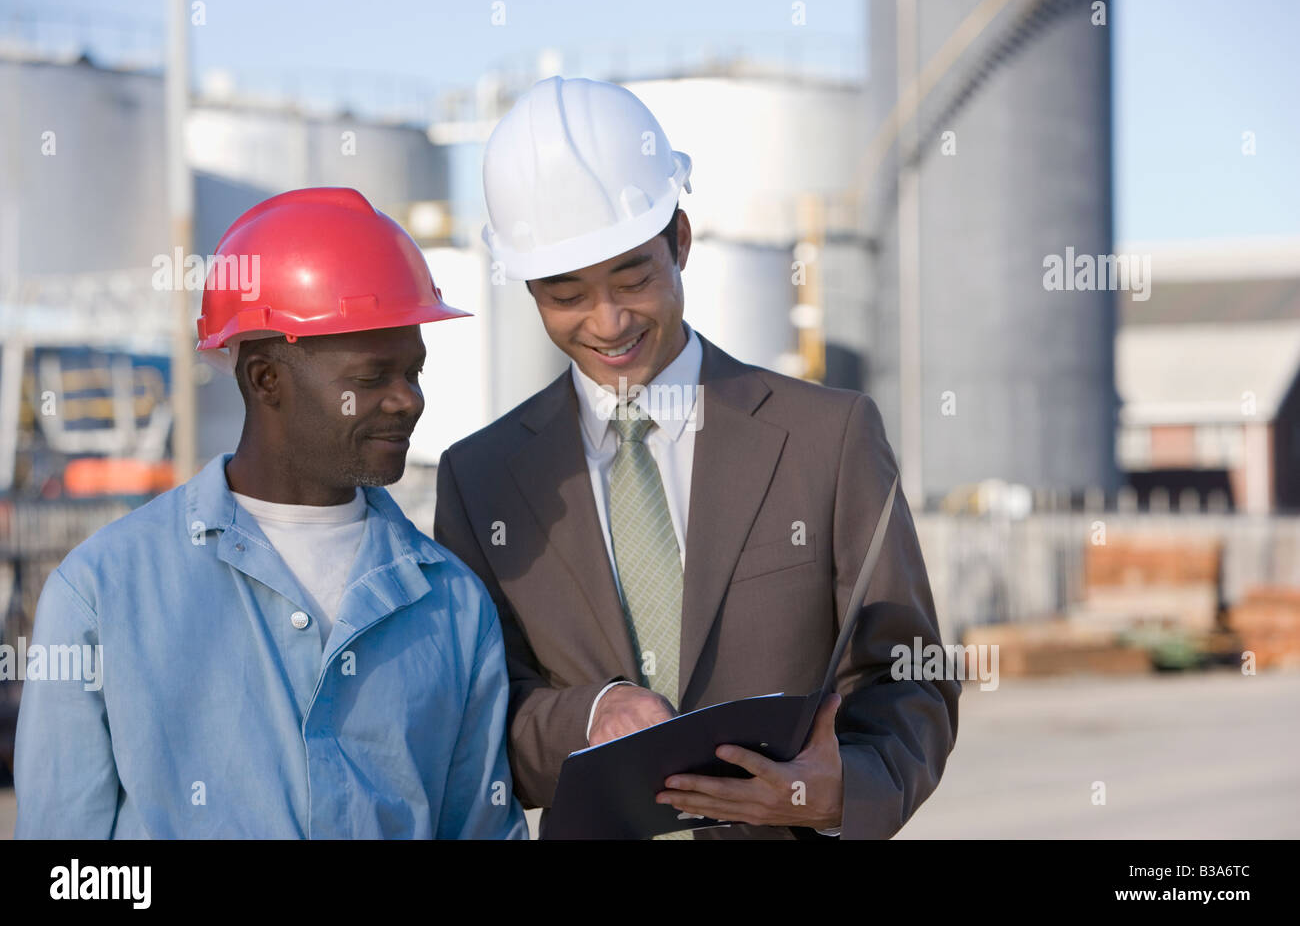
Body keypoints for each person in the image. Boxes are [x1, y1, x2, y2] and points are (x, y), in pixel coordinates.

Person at [434, 76, 960, 839]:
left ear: (679, 240)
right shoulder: (480, 480)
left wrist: (841, 787)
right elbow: (474, 716)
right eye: (566, 294)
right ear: (526, 286)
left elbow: (910, 677)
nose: (609, 321)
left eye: (633, 276)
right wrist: (587, 714)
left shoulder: (829, 438)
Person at [14, 186, 527, 839]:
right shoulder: (103, 593)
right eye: (372, 379)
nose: (407, 401)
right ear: (265, 379)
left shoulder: (453, 605)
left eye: (414, 372)